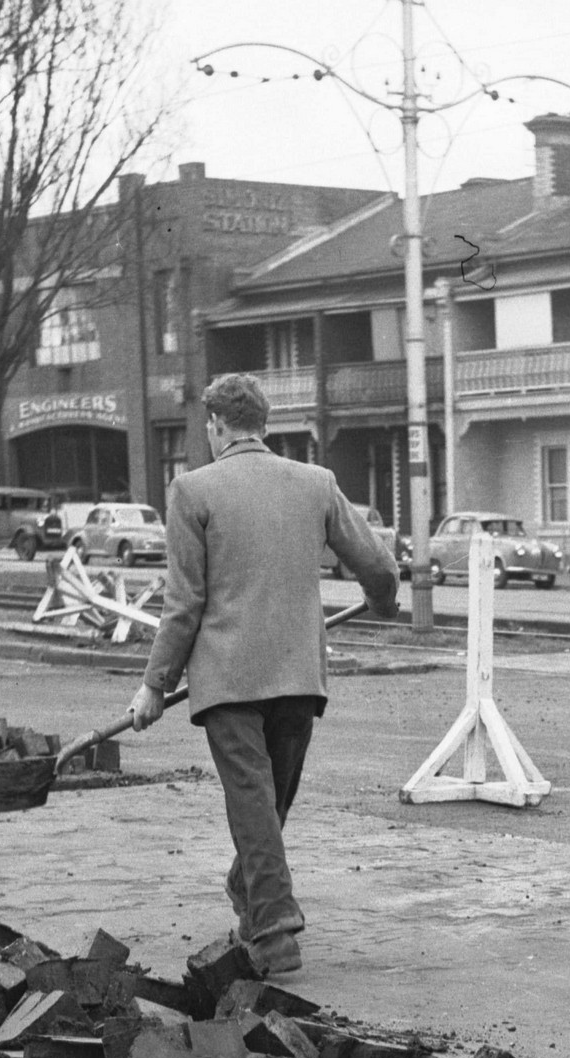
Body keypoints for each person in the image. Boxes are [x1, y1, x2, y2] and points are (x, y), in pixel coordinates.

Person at [129, 372, 399, 976]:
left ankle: (274, 924)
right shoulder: (316, 483)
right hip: (300, 674)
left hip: (227, 679)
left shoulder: (191, 490)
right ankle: (254, 901)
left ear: (214, 426)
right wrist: (383, 599)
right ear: (265, 424)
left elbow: (184, 604)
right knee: (269, 802)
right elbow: (378, 567)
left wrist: (154, 684)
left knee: (255, 802)